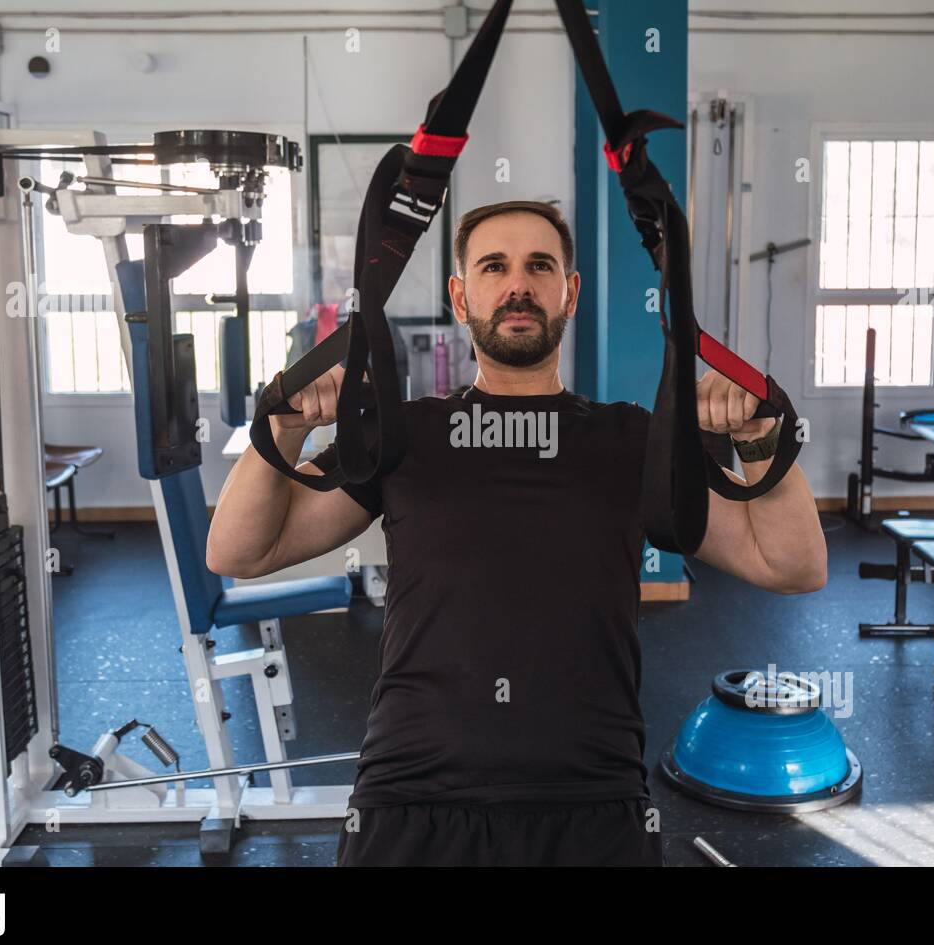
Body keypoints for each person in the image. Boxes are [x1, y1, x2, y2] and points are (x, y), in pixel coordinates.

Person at [207, 199, 828, 866]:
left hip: (592, 800)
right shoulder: (405, 435)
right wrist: (283, 429)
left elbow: (791, 565)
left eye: (539, 266)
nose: (518, 286)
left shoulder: (631, 442)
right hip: (413, 795)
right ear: (460, 294)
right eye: (493, 267)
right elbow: (240, 551)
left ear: (570, 293)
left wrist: (762, 442)